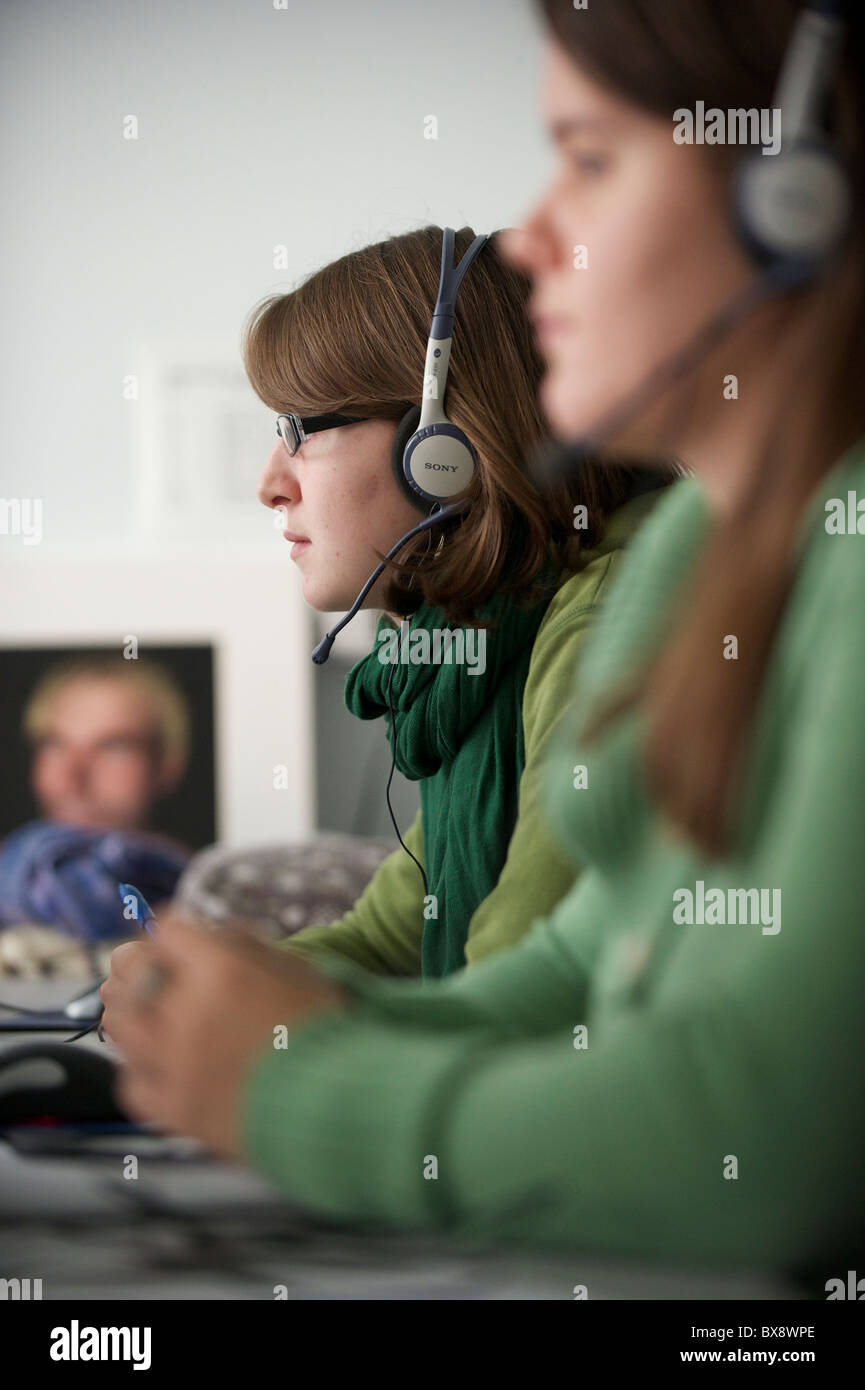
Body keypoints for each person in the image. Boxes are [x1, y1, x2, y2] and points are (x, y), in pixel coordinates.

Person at [102, 0, 865, 1272]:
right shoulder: (700, 551)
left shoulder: (683, 580)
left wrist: (292, 1085)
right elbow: (564, 962)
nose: (532, 234)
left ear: (792, 191)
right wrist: (243, 1014)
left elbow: (764, 1133)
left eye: (589, 157)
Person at [244, 225, 668, 977]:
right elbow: (388, 937)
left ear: (437, 448)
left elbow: (525, 982)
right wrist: (207, 991)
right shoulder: (471, 641)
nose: (270, 483)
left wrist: (259, 1026)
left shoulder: (606, 627)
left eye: (298, 431)